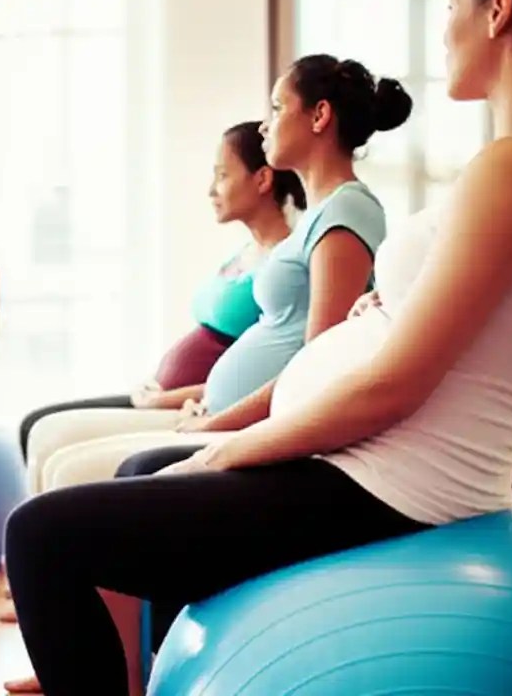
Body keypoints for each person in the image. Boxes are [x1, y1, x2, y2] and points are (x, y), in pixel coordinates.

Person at [3, 0, 512, 692]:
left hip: (393, 482)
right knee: (142, 471)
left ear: (499, 9)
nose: (446, 22)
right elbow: (481, 329)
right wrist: (392, 303)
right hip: (390, 467)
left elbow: (396, 386)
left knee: (41, 536)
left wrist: (231, 450)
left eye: (452, 3)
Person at [24, 53, 413, 496]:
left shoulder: (348, 208)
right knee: (59, 459)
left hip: (252, 428)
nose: (265, 125)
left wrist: (217, 422)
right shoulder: (319, 216)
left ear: (320, 116)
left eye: (278, 107)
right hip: (219, 413)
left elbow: (316, 367)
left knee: (70, 471)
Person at [15, 121, 304, 494]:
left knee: (57, 450)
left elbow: (267, 367)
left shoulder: (283, 274)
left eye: (221, 175)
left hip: (191, 406)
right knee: (38, 426)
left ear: (262, 179)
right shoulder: (244, 254)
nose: (210, 190)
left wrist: (164, 398)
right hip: (172, 396)